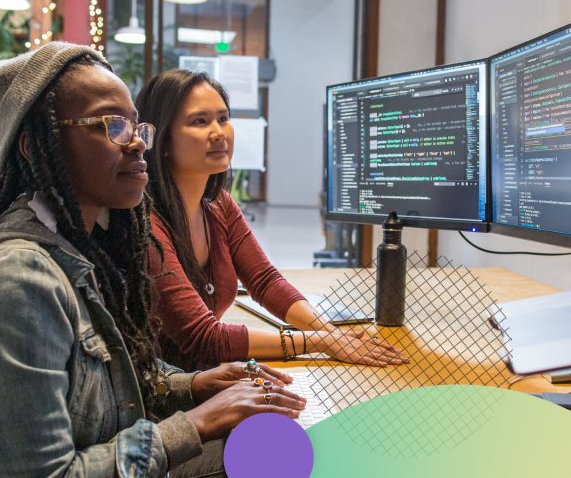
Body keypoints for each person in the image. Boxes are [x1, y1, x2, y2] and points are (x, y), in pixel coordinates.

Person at [0, 42, 305, 478]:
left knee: (275, 440)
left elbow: (109, 382)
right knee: (275, 452)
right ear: (37, 147)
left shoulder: (85, 246)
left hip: (109, 449)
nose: (136, 144)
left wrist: (195, 384)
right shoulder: (16, 280)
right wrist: (199, 420)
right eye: (110, 124)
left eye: (135, 125)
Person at [136, 69, 409, 371]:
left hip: (202, 376)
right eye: (200, 121)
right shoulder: (146, 223)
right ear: (162, 139)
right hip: (159, 394)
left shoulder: (218, 205)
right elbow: (205, 337)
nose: (218, 133)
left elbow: (265, 281)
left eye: (223, 119)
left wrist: (330, 333)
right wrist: (319, 342)